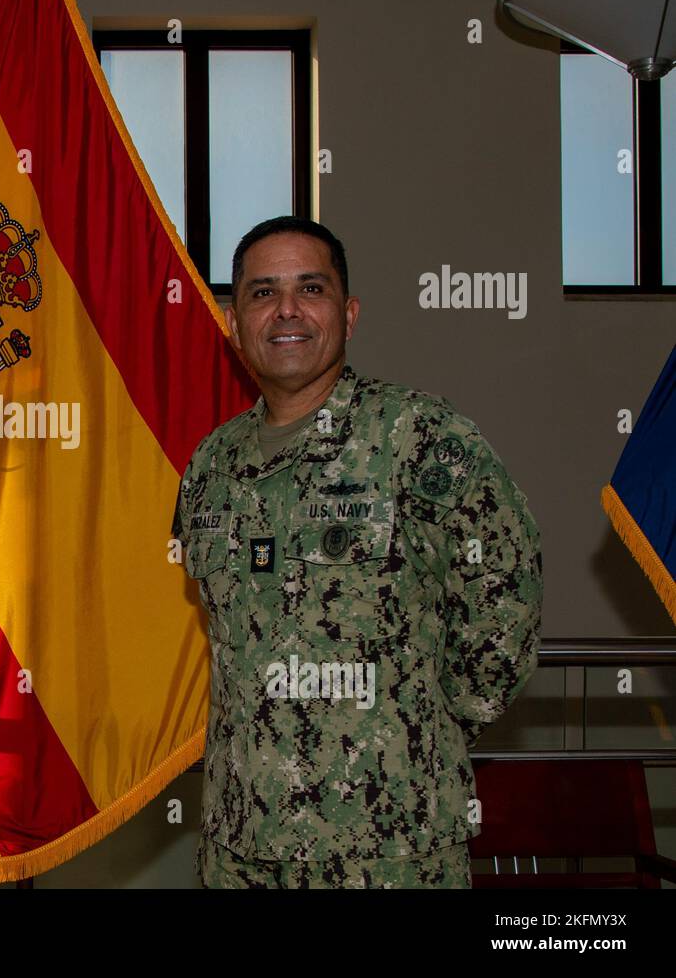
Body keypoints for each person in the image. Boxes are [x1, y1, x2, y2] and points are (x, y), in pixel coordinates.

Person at [173, 215, 541, 889]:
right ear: (234, 323)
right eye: (262, 292)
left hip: (388, 851)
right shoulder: (211, 465)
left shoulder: (418, 437)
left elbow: (504, 593)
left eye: (310, 289)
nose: (286, 310)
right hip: (240, 849)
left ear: (348, 313)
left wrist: (426, 731)